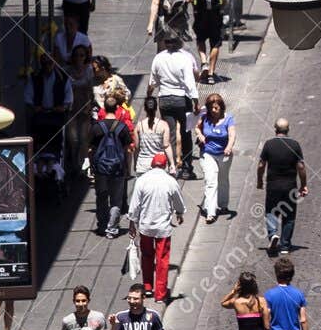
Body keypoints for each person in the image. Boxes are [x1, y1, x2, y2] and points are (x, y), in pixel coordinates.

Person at [127, 151, 185, 302]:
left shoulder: (142, 180)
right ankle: (160, 293)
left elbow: (135, 204)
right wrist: (179, 213)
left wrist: (132, 223)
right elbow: (178, 200)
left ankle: (147, 287)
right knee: (162, 260)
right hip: (163, 228)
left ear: (152, 165)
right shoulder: (170, 181)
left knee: (147, 256)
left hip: (145, 226)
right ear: (165, 166)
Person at [147, 31, 199, 176]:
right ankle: (187, 167)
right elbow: (190, 82)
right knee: (186, 133)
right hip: (182, 99)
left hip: (165, 99)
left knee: (170, 135)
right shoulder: (185, 58)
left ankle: (172, 166)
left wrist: (149, 96)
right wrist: (196, 101)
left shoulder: (158, 58)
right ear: (179, 43)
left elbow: (153, 82)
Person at [257, 117, 307, 254]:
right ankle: (285, 245)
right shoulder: (295, 145)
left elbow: (261, 165)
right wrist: (303, 185)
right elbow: (301, 167)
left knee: (271, 212)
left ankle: (273, 233)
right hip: (290, 186)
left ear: (275, 129)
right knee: (289, 216)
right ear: (288, 129)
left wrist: (259, 180)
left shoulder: (269, 144)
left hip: (273, 186)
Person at [89, 95, 132, 238]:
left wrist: (92, 166)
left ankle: (102, 226)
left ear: (104, 108)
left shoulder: (97, 127)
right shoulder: (122, 128)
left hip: (100, 168)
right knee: (116, 200)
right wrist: (127, 168)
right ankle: (112, 229)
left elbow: (90, 149)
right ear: (117, 108)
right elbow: (127, 150)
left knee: (101, 197)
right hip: (118, 168)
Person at [185, 0, 229, 84]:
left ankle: (204, 62)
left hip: (200, 9)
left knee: (200, 38)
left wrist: (194, 5)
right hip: (216, 9)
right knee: (216, 41)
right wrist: (223, 3)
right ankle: (211, 73)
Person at [195, 93, 236, 224]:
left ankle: (223, 205)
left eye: (216, 108)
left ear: (221, 107)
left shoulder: (228, 119)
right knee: (211, 181)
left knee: (223, 179)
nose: (213, 110)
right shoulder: (204, 117)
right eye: (211, 108)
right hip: (208, 153)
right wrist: (200, 135)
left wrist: (229, 147)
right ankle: (210, 212)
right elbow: (197, 127)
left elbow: (232, 135)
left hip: (224, 154)